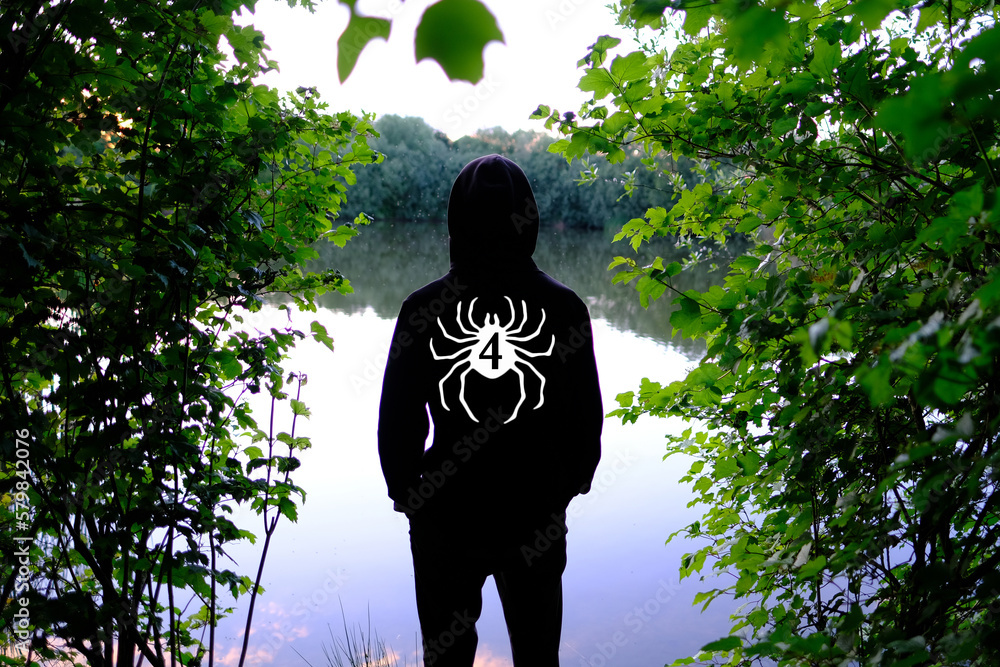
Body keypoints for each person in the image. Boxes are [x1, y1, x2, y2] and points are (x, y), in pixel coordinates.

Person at [377, 154, 603, 667]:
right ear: (529, 219)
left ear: (457, 220)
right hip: (534, 512)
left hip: (447, 513)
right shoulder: (564, 307)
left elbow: (399, 420)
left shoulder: (422, 309)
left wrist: (408, 493)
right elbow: (584, 419)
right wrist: (567, 486)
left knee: (446, 658)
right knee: (538, 654)